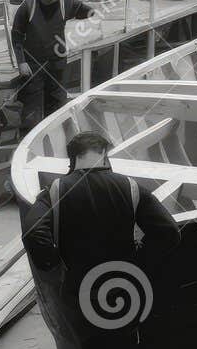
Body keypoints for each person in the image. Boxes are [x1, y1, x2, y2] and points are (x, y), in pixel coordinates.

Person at [22, 131, 182, 329]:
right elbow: (169, 232)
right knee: (124, 338)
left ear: (73, 158)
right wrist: (140, 259)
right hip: (124, 283)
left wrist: (54, 266)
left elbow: (33, 233)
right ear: (104, 154)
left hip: (77, 286)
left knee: (85, 338)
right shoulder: (130, 186)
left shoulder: (56, 190)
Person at [11, 0, 92, 131]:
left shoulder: (66, 1)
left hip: (57, 64)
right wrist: (21, 62)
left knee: (56, 110)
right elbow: (17, 36)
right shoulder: (28, 6)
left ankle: (56, 144)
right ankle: (27, 144)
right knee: (31, 113)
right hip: (33, 66)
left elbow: (88, 11)